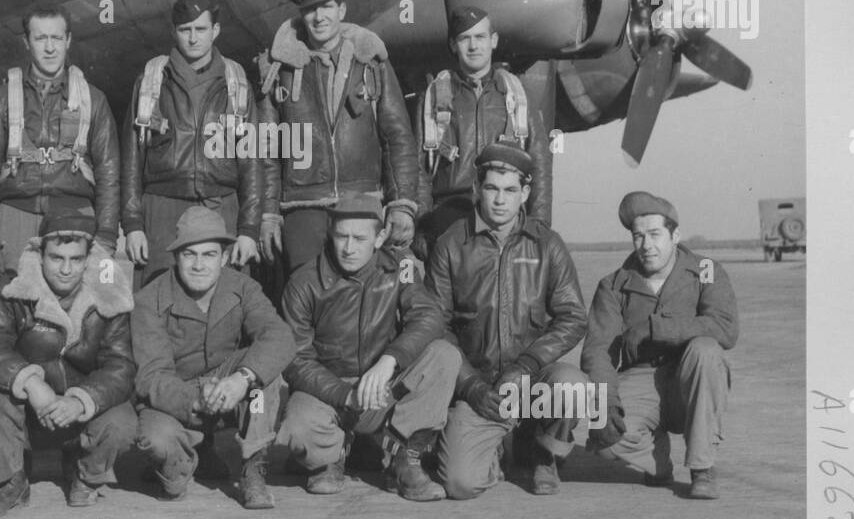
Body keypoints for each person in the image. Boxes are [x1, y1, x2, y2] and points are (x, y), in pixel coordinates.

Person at [427, 145, 589, 498]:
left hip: (531, 382)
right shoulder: (450, 245)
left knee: (572, 385)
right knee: (459, 483)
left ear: (525, 193)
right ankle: (498, 447)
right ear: (477, 189)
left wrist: (527, 365)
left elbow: (573, 316)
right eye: (492, 188)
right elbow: (434, 325)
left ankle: (544, 454)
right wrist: (471, 386)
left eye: (511, 190)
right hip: (479, 388)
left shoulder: (548, 245)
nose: (500, 200)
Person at [279, 194, 461, 501]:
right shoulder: (303, 283)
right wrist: (344, 394)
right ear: (330, 235)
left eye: (359, 238)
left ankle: (405, 458)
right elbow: (296, 360)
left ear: (379, 238)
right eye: (341, 236)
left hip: (382, 389)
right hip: (329, 392)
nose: (348, 248)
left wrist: (391, 359)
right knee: (298, 427)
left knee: (444, 355)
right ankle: (328, 460)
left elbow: (429, 317)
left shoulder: (400, 268)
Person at [0, 214, 138, 514]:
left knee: (122, 420)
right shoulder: (11, 291)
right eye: (56, 258)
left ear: (88, 260)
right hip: (29, 411)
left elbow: (120, 366)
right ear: (39, 255)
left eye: (76, 259)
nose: (66, 269)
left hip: (80, 412)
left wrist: (80, 400)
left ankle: (85, 473)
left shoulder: (110, 297)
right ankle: (11, 479)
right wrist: (31, 383)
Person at [256, 0, 419, 276]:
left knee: (361, 300)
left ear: (341, 11)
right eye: (310, 9)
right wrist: (267, 214)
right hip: (302, 209)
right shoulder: (278, 70)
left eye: (327, 7)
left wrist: (402, 203)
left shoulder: (372, 63)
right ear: (301, 15)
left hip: (362, 203)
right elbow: (266, 149)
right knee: (304, 297)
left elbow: (398, 137)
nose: (319, 17)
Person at [131, 206, 295, 509]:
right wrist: (194, 399)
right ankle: (186, 455)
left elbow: (280, 337)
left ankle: (253, 466)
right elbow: (150, 377)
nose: (198, 265)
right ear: (176, 257)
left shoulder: (244, 287)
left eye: (208, 255)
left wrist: (242, 379)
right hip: (175, 401)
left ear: (223, 258)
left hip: (225, 389)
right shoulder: (148, 300)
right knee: (160, 447)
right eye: (189, 254)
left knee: (265, 371)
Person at [581, 192, 739, 499]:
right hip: (641, 379)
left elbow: (725, 328)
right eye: (638, 236)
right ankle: (657, 457)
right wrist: (606, 402)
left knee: (705, 349)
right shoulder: (613, 285)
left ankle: (702, 468)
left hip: (690, 378)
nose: (646, 245)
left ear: (675, 235)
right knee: (606, 440)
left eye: (655, 234)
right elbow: (598, 351)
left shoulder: (706, 271)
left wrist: (657, 328)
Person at [0, 5, 120, 284]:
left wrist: (107, 237)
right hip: (16, 218)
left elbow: (109, 175)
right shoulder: (1, 100)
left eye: (57, 38)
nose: (50, 48)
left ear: (68, 40)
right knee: (8, 305)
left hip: (75, 219)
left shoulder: (94, 101)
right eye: (40, 39)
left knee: (75, 315)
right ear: (27, 42)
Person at [122, 0, 261, 288]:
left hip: (221, 207)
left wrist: (249, 230)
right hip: (162, 209)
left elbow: (251, 164)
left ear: (216, 31)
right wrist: (133, 225)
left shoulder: (236, 84)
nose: (194, 38)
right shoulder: (151, 81)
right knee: (157, 298)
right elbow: (132, 159)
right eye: (186, 30)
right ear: (174, 31)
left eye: (201, 29)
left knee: (226, 299)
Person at [416, 6, 553, 257]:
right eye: (464, 38)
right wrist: (424, 227)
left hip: (504, 219)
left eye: (480, 37)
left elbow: (539, 164)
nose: (473, 46)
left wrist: (540, 225)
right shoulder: (433, 98)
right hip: (449, 219)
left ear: (494, 41)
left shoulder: (518, 96)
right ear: (453, 45)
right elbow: (419, 167)